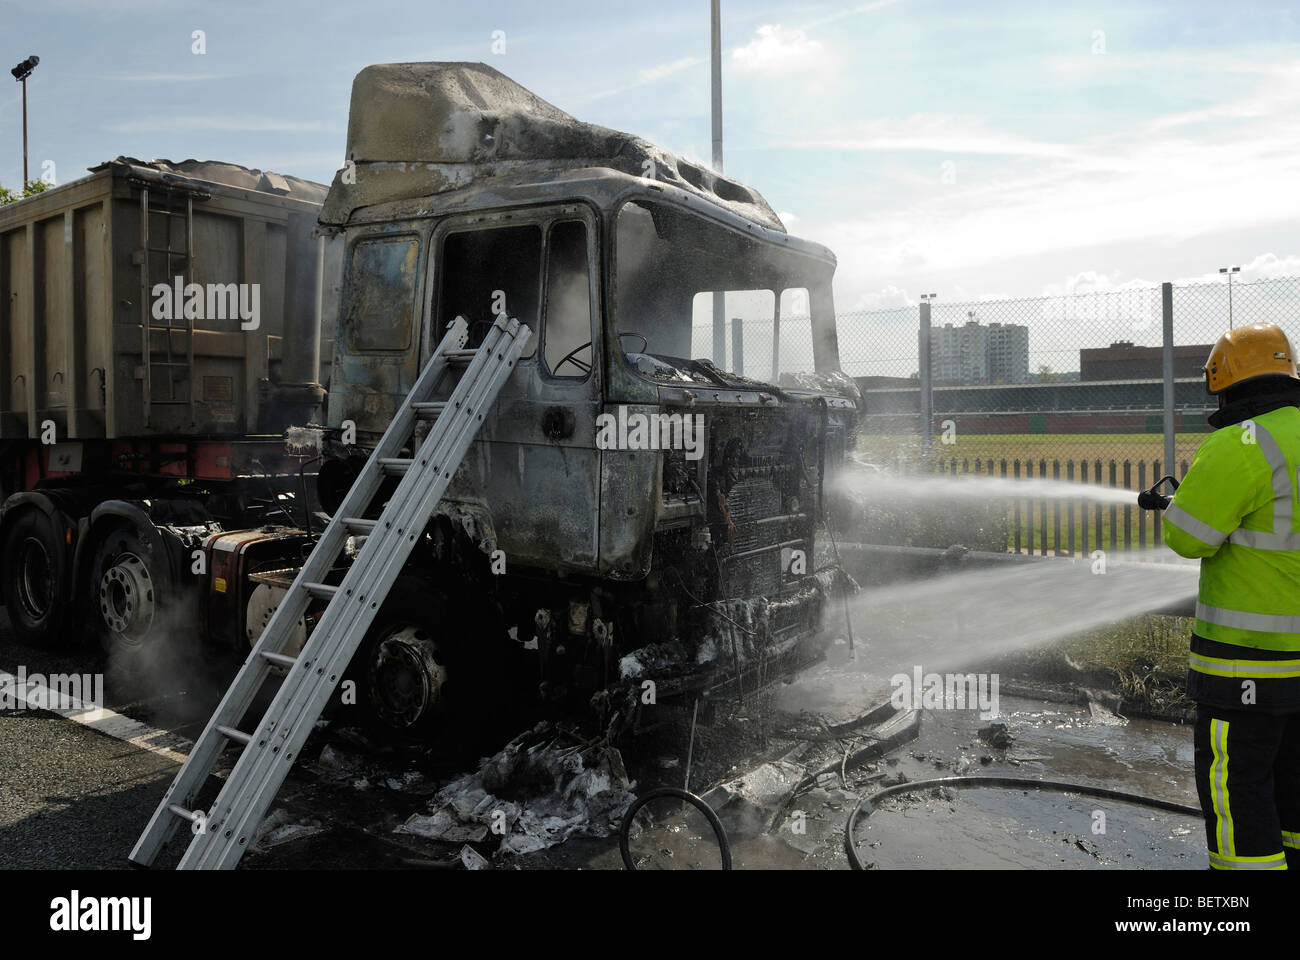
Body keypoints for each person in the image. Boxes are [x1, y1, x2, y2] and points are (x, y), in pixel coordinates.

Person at [1144, 322, 1300, 869]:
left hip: (1246, 665)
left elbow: (1189, 537)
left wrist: (1181, 506)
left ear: (1224, 381)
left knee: (1240, 793)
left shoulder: (1241, 441)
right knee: (1293, 794)